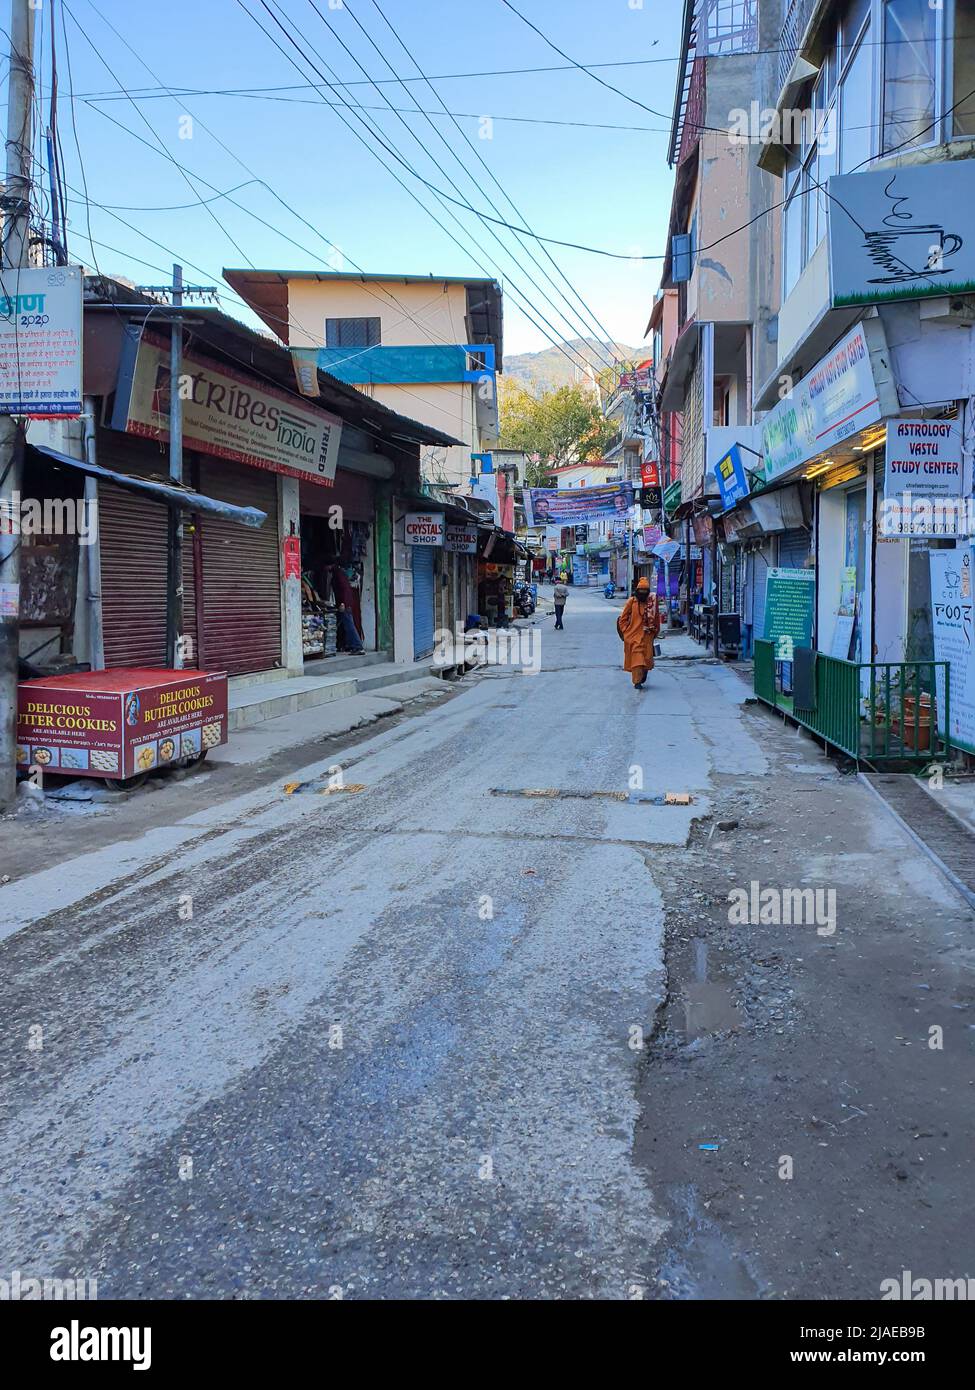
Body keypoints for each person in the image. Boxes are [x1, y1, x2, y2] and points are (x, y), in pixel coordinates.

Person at [617, 576, 661, 688]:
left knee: (646, 659)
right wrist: (626, 632)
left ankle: (642, 675)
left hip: (647, 636)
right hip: (634, 636)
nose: (642, 593)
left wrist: (655, 632)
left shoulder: (652, 603)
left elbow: (656, 619)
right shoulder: (631, 602)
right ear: (637, 591)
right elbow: (623, 619)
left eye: (645, 591)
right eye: (640, 591)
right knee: (637, 659)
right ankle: (637, 681)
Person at [330, 563, 365, 654]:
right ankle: (351, 646)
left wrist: (343, 603)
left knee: (349, 625)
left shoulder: (338, 575)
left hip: (345, 604)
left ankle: (358, 646)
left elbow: (344, 590)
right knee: (346, 625)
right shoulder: (340, 574)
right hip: (346, 603)